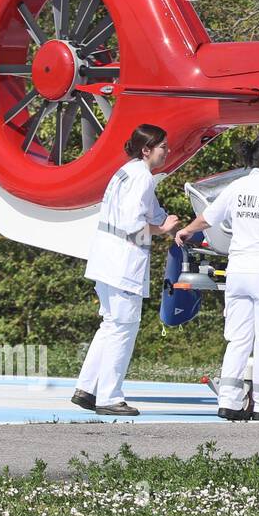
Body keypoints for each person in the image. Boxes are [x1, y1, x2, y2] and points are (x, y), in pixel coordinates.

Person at [174, 132, 259, 421]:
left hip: (238, 272)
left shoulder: (238, 186)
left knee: (238, 339)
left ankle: (229, 402)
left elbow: (209, 217)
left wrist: (186, 230)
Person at [75, 124, 181, 416]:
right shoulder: (143, 178)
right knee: (123, 328)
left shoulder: (127, 172)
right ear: (146, 149)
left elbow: (149, 209)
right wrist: (161, 230)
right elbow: (135, 225)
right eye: (163, 147)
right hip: (122, 262)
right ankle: (109, 397)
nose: (167, 151)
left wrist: (169, 224)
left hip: (104, 259)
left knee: (110, 325)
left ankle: (87, 388)